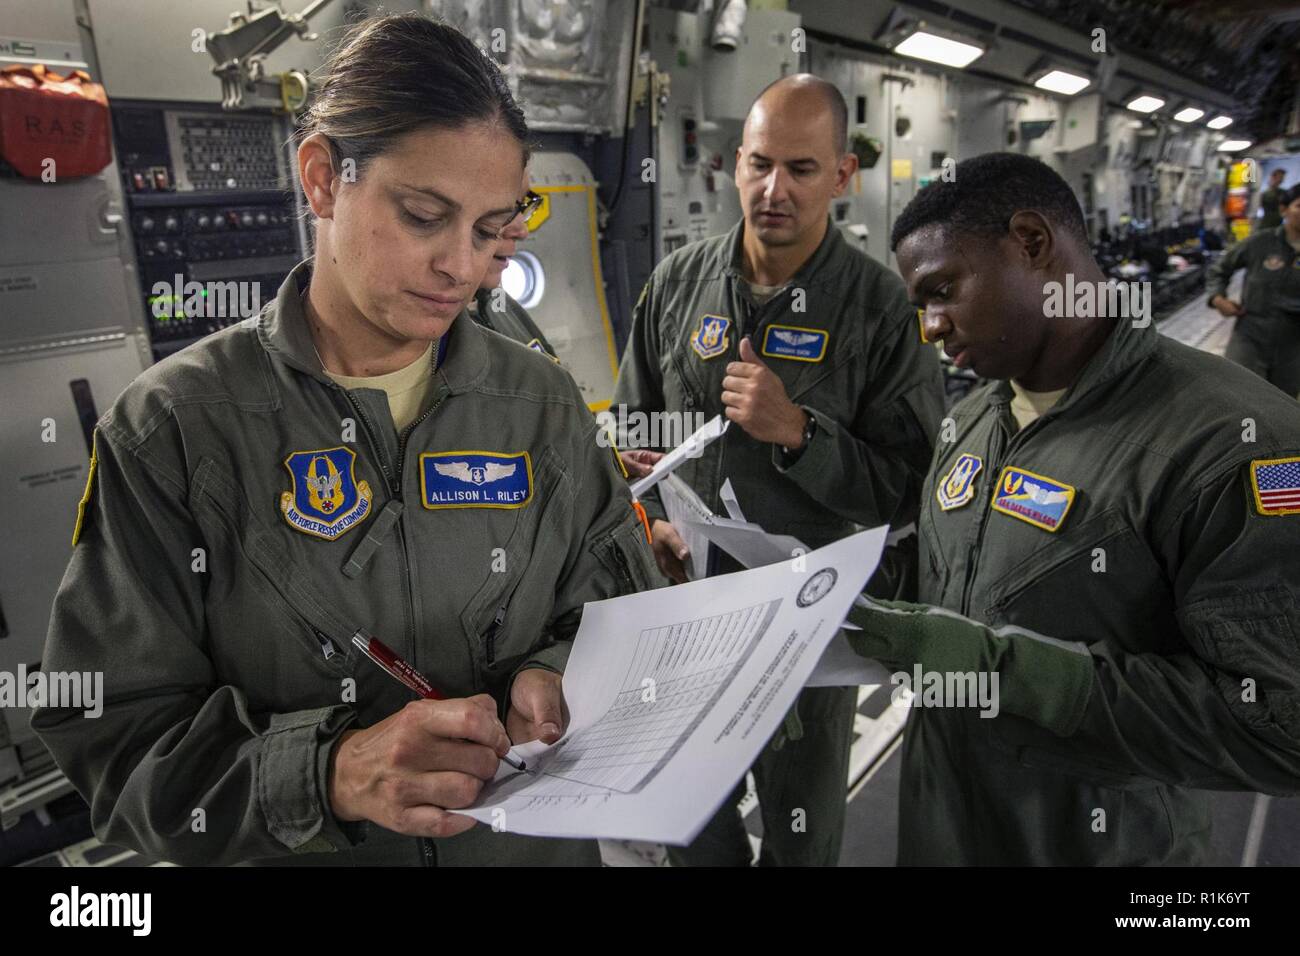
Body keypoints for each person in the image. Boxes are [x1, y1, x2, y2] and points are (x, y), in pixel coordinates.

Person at [31, 13, 656, 867]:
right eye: (425, 215)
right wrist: (330, 776)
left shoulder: (538, 403)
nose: (462, 269)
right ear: (323, 178)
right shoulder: (174, 430)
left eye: (490, 229)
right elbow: (116, 737)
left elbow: (618, 618)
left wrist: (550, 677)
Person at [847, 152, 1300, 865]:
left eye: (942, 290)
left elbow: (1278, 724)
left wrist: (1007, 672)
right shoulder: (974, 420)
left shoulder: (1232, 446)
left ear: (1031, 242)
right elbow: (953, 584)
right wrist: (825, 595)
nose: (930, 327)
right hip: (943, 822)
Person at [613, 74, 942, 866]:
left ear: (841, 177)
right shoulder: (676, 287)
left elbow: (913, 486)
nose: (774, 189)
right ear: (733, 165)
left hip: (807, 630)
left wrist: (799, 432)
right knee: (689, 821)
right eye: (760, 164)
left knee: (801, 834)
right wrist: (649, 518)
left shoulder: (881, 310)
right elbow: (628, 433)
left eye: (800, 169)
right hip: (690, 616)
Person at [1208, 183, 1300, 398]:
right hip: (1251, 333)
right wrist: (1217, 297)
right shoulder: (1261, 242)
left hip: (1294, 340)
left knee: (1282, 405)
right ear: (1284, 209)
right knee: (1237, 395)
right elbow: (1219, 268)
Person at [471, 174, 557, 357]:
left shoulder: (499, 301)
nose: (522, 231)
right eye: (503, 207)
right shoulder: (430, 337)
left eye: (522, 205)